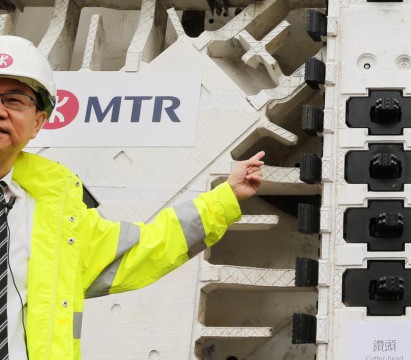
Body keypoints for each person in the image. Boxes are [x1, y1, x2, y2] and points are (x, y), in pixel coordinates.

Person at [0, 35, 266, 360]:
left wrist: (225, 199)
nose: (0, 111)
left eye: (14, 100)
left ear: (38, 123)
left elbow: (141, 250)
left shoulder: (55, 217)